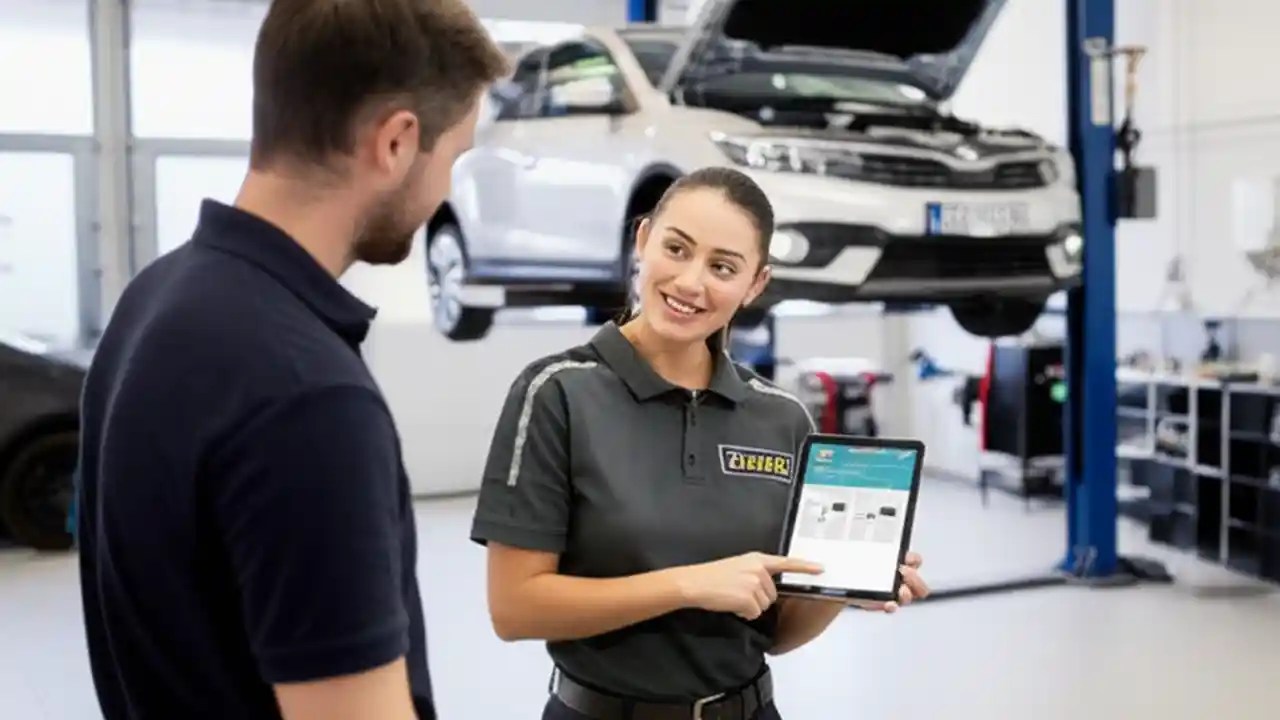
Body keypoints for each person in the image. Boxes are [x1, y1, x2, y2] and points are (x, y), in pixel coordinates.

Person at [75, 2, 508, 718]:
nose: (445, 193)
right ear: (396, 142)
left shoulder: (155, 299)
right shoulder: (306, 398)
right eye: (453, 157)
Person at [469, 167, 931, 720]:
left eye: (722, 267)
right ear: (643, 240)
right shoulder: (557, 393)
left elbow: (775, 633)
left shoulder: (782, 420)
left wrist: (841, 590)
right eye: (676, 248)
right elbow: (515, 608)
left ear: (755, 284)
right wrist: (688, 585)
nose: (691, 283)